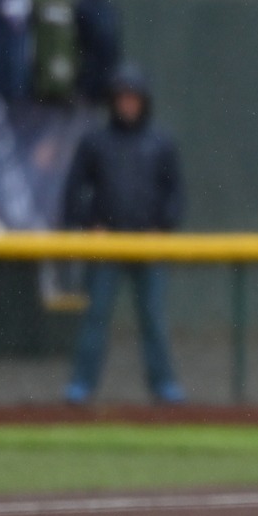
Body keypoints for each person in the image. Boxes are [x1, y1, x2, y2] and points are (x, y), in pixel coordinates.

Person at [61, 64, 186, 405]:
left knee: (154, 320)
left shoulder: (160, 142)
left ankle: (163, 386)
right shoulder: (96, 142)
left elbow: (175, 193)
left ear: (144, 101)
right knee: (95, 317)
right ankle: (81, 386)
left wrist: (162, 228)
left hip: (148, 244)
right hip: (108, 244)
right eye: (122, 98)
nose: (127, 104)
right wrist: (91, 224)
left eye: (133, 98)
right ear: (112, 101)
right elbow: (74, 192)